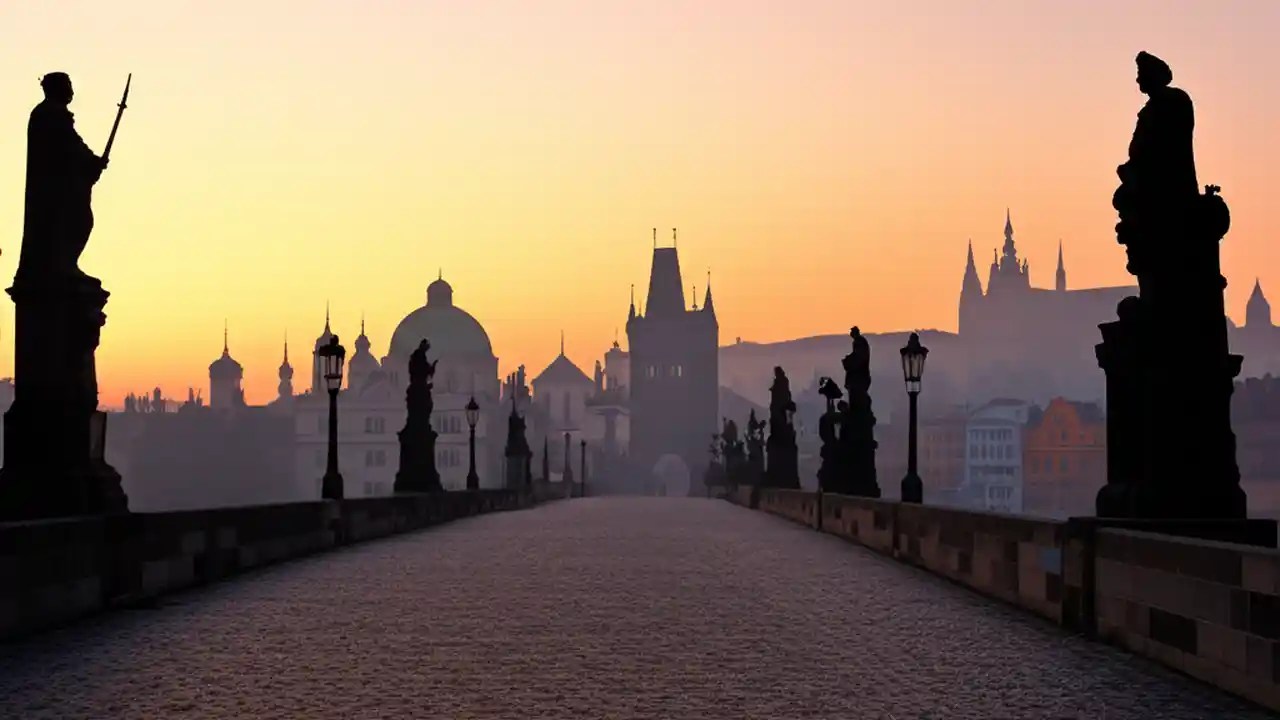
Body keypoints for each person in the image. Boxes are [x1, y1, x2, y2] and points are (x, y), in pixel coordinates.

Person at [20, 73, 108, 283]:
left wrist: (91, 161)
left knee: (76, 221)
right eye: (68, 85)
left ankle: (66, 264)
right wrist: (91, 161)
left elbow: (73, 143)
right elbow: (68, 146)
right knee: (75, 221)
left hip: (61, 185)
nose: (71, 91)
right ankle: (62, 265)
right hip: (57, 189)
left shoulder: (52, 114)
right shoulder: (50, 114)